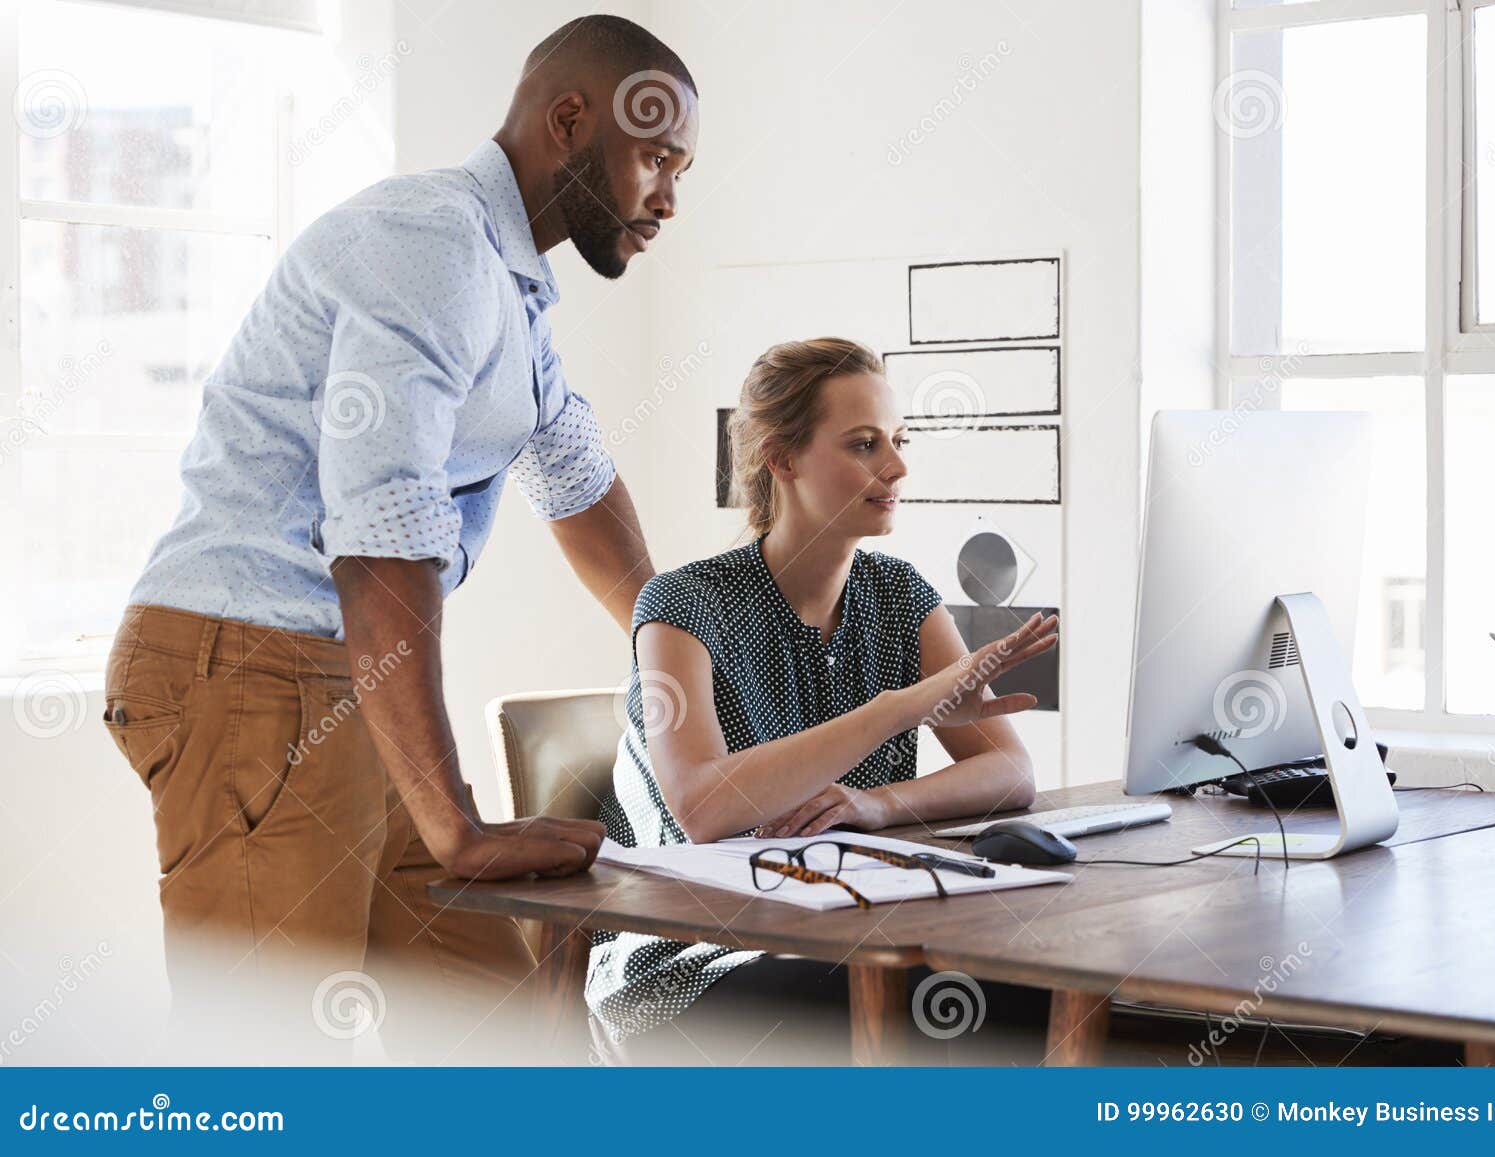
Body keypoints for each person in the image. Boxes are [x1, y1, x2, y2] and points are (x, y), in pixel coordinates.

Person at [101, 15, 697, 1062]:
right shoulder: (431, 244)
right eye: (657, 158)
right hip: (248, 665)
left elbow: (571, 469)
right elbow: (379, 533)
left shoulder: (510, 288)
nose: (667, 200)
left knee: (509, 1050)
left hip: (349, 685)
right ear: (569, 121)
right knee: (267, 1069)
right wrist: (456, 820)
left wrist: (688, 663)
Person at [588, 337, 1061, 1064]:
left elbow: (1011, 772)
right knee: (941, 1015)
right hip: (696, 965)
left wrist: (875, 804)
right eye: (865, 444)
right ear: (781, 458)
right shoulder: (679, 606)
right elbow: (702, 807)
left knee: (1035, 990)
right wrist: (900, 707)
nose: (897, 467)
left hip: (855, 936)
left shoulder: (899, 593)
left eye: (897, 442)